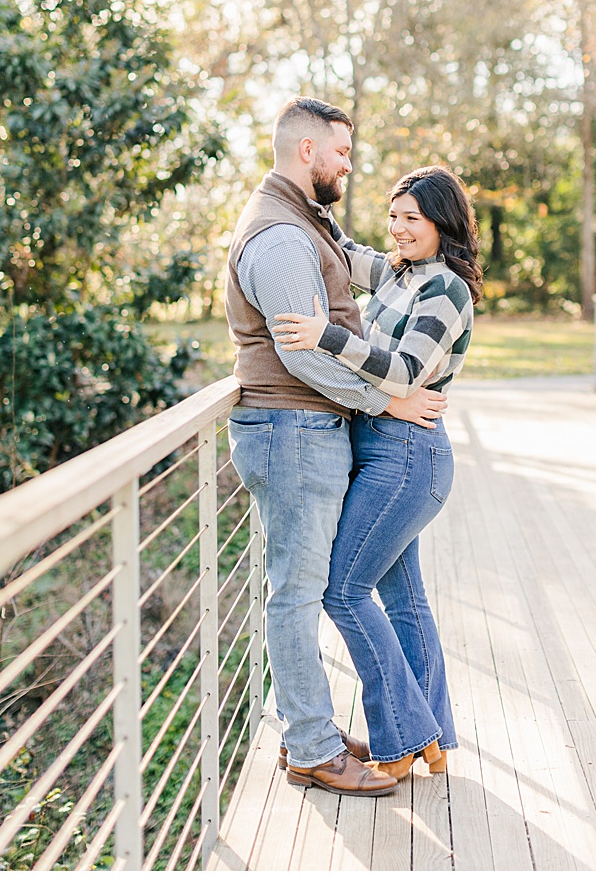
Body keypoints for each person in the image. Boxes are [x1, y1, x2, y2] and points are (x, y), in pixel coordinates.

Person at [224, 97, 447, 797]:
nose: (349, 165)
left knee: (323, 588)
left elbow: (371, 280)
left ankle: (318, 734)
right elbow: (305, 358)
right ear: (306, 152)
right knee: (301, 593)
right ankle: (314, 748)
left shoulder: (306, 223)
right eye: (342, 153)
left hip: (310, 434)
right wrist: (392, 400)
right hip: (291, 432)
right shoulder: (283, 238)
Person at [273, 166, 480, 779]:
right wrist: (308, 200)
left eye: (412, 219)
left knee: (342, 589)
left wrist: (326, 336)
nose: (398, 229)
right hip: (387, 452)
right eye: (394, 216)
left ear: (443, 224)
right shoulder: (398, 272)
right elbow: (347, 251)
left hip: (407, 457)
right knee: (402, 595)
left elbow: (404, 371)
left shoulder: (445, 290)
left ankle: (400, 737)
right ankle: (432, 739)